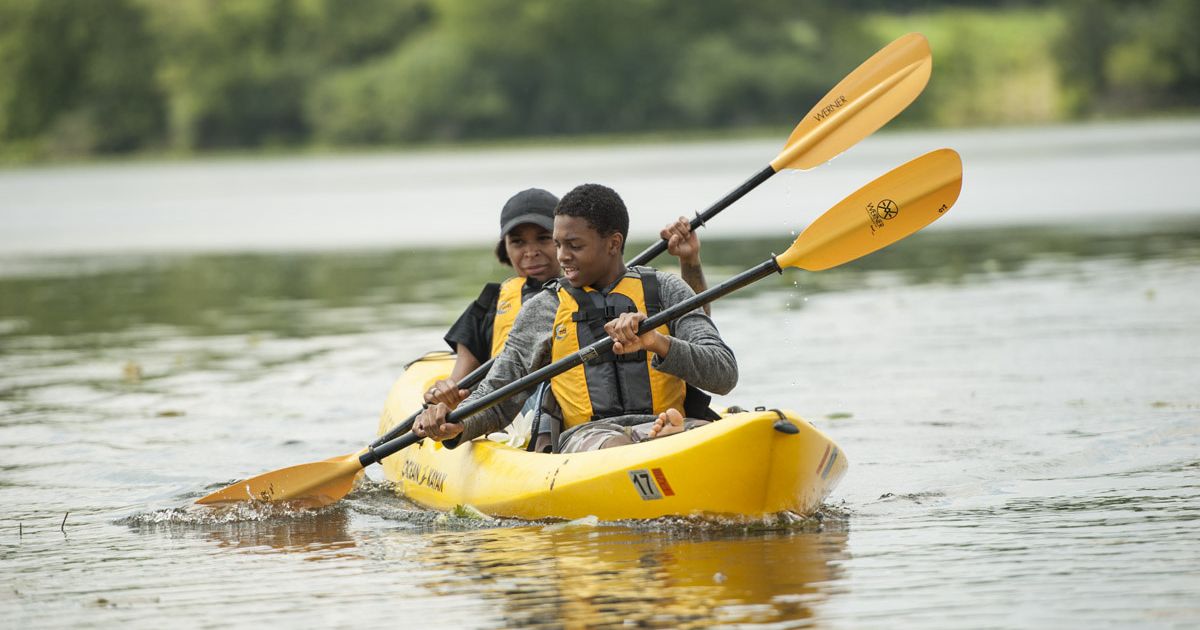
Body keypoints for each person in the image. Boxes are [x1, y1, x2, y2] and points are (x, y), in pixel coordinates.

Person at [415, 183, 737, 453]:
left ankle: (666, 433)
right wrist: (455, 424)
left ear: (614, 243)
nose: (562, 256)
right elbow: (499, 397)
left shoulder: (666, 290)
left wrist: (656, 342)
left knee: (699, 435)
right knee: (615, 445)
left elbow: (724, 374)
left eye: (574, 245)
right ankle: (663, 440)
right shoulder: (544, 308)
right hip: (587, 439)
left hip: (662, 421)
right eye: (558, 244)